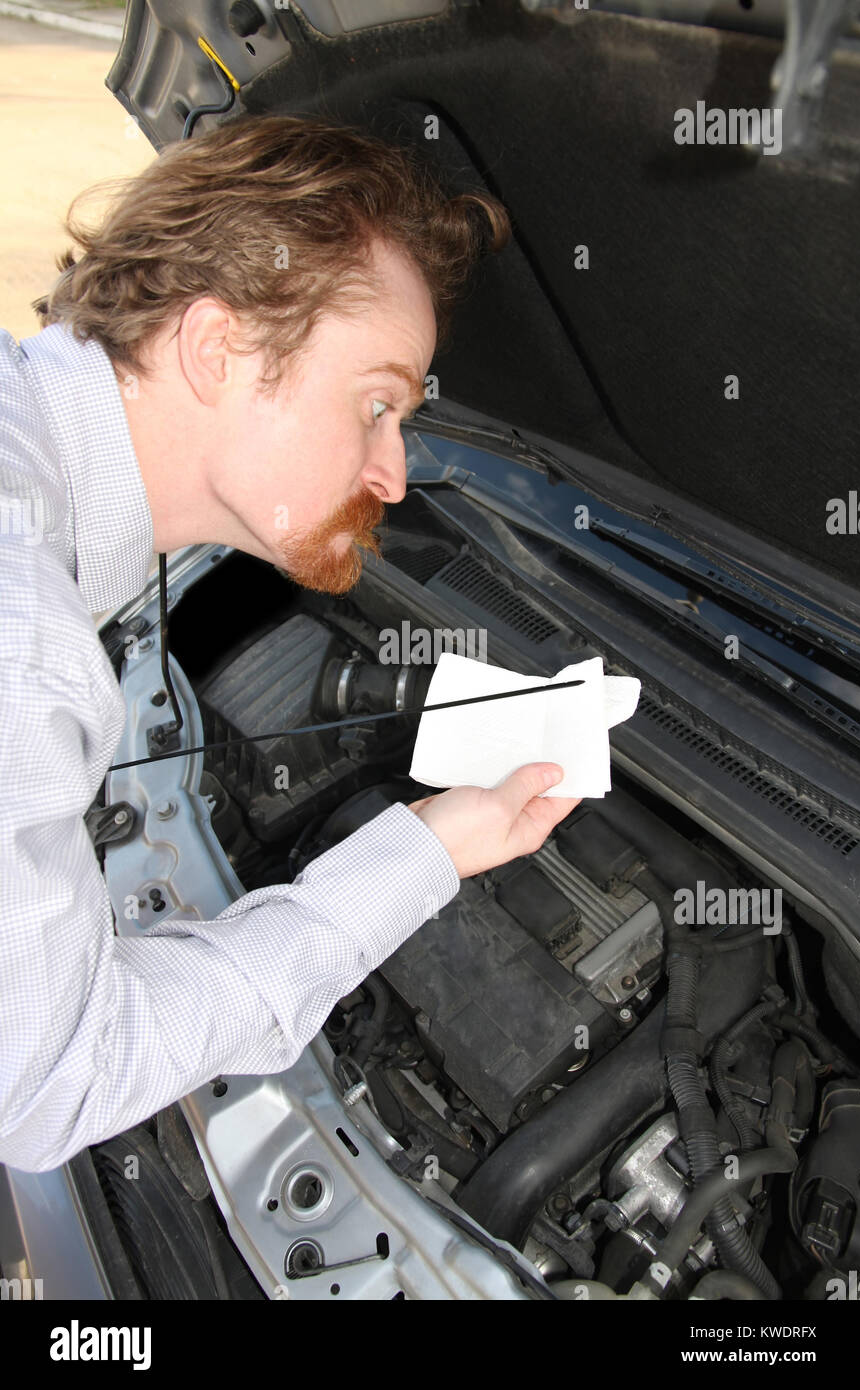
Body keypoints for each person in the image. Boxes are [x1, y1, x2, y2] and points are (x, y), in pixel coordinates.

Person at [0, 115, 577, 1173]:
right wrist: (426, 850)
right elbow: (49, 1080)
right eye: (375, 404)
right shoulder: (21, 640)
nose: (394, 475)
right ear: (217, 348)